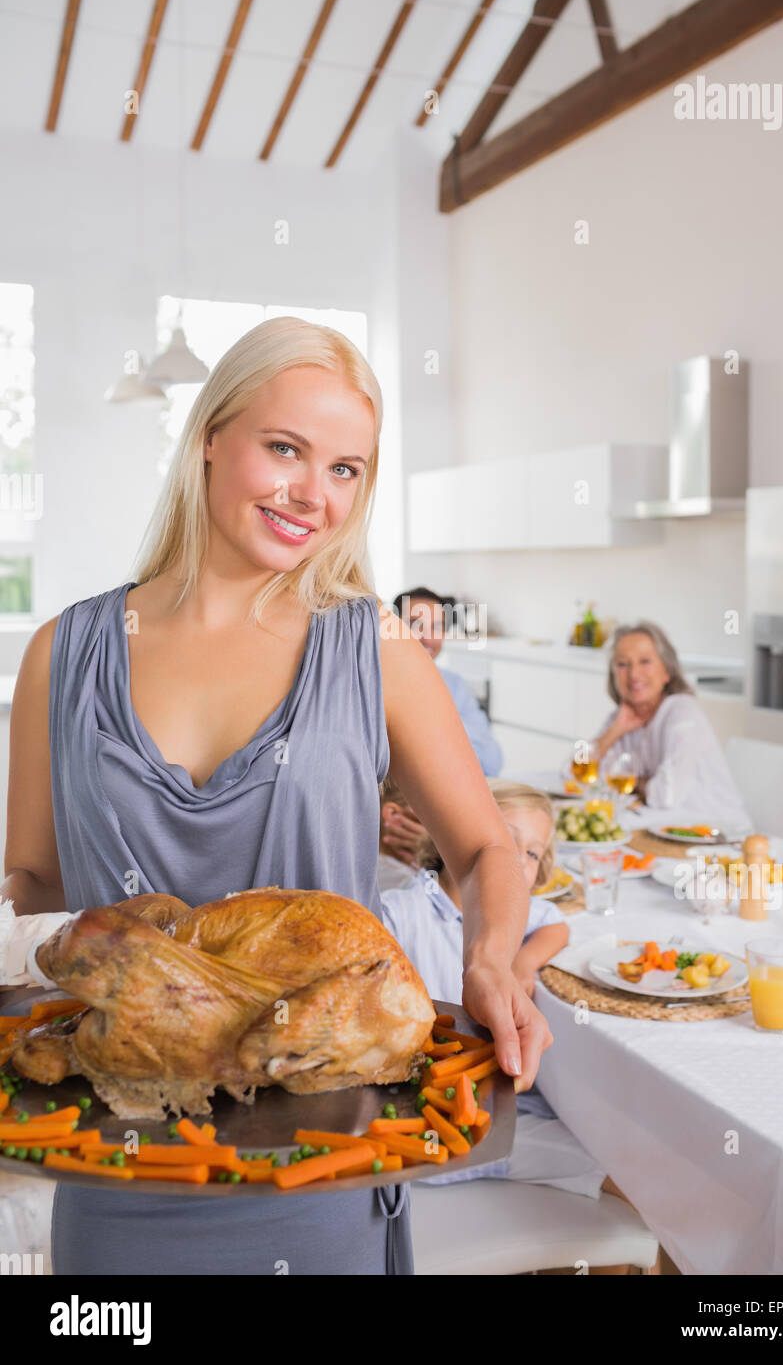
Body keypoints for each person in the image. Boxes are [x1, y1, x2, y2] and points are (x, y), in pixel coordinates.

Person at [0, 315, 551, 1276]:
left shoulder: (370, 646)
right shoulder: (63, 655)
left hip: (324, 1162)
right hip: (122, 1163)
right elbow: (34, 878)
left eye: (347, 469)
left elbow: (482, 849)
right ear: (211, 436)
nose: (315, 495)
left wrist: (492, 953)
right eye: (285, 448)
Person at [380, 781, 608, 1199]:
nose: (518, 861)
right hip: (439, 1123)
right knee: (612, 1166)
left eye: (533, 853)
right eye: (506, 841)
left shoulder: (519, 914)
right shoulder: (401, 913)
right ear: (454, 837)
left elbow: (556, 924)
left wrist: (521, 962)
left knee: (611, 1138)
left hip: (508, 1101)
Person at [593, 622, 751, 828]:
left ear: (666, 671)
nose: (634, 674)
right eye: (622, 664)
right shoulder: (623, 717)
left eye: (645, 662)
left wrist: (631, 782)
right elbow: (572, 775)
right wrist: (614, 731)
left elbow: (666, 795)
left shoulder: (682, 712)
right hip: (663, 830)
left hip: (718, 834)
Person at [392, 587, 503, 776]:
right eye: (415, 625)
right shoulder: (370, 684)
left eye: (436, 627)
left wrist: (438, 722)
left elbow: (491, 762)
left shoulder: (455, 686)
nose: (427, 638)